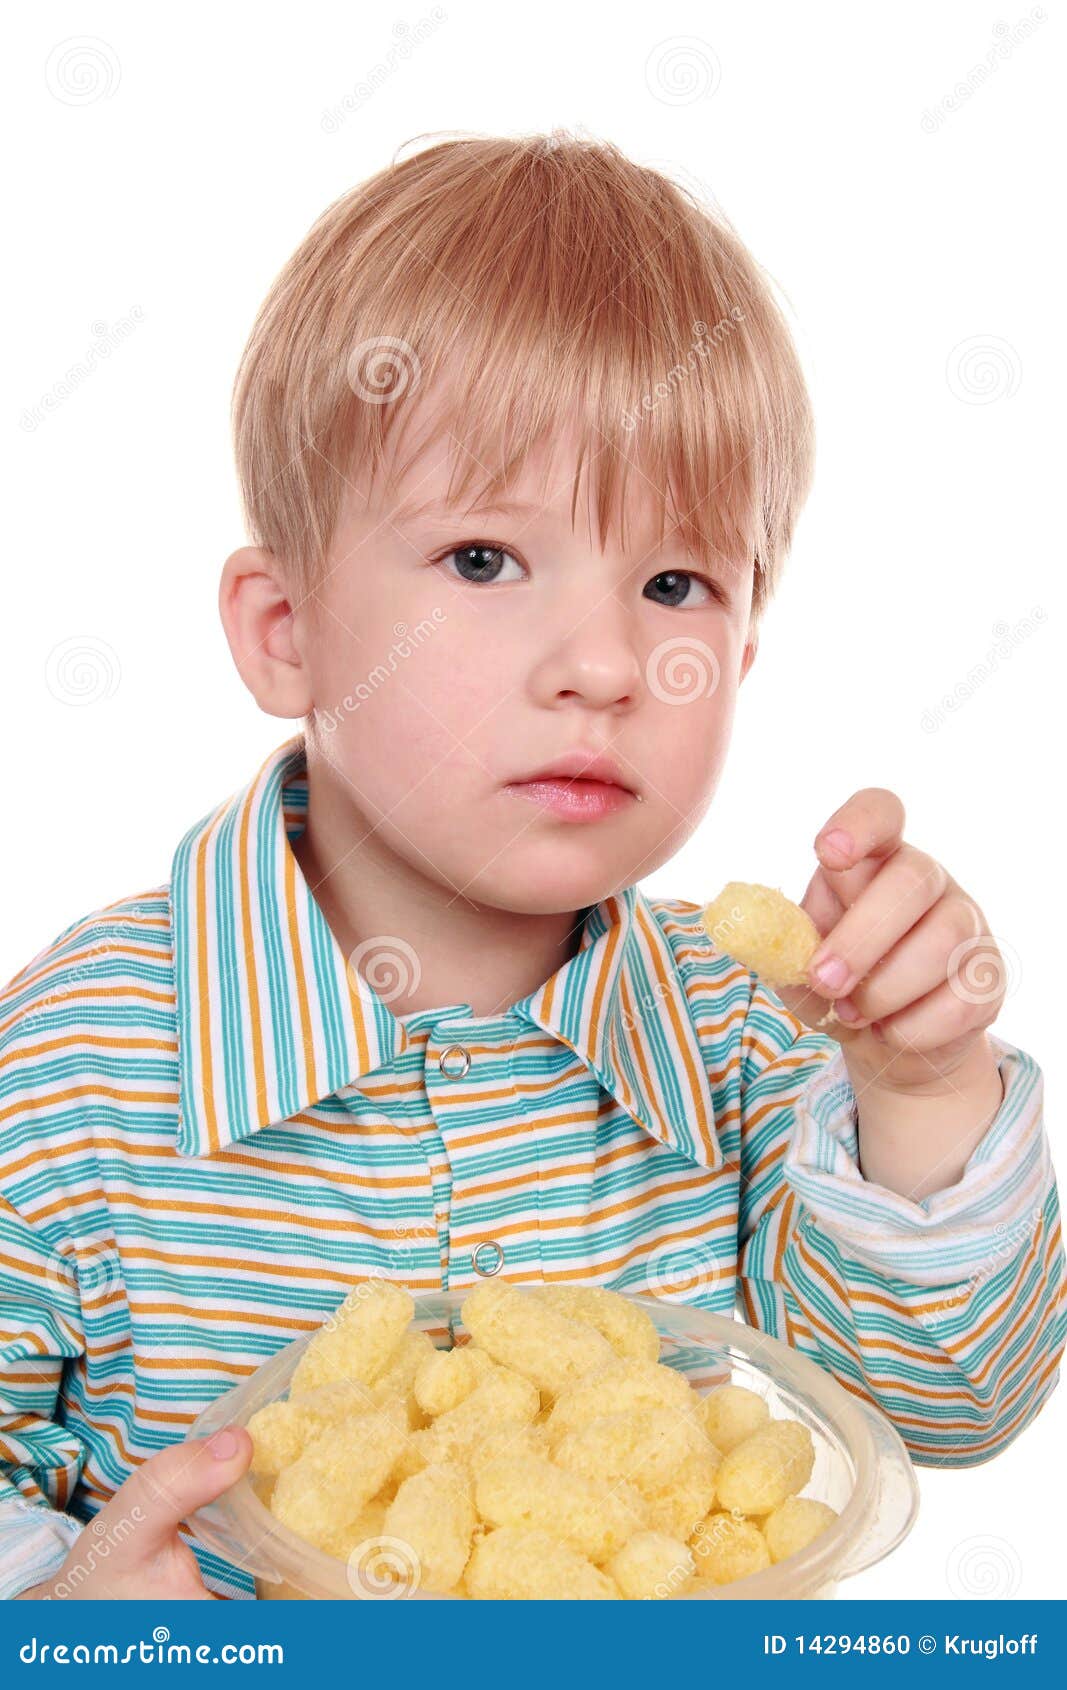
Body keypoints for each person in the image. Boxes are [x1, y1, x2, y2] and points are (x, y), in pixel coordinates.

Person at [3, 131, 1062, 1600]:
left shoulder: (753, 1041)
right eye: (488, 560)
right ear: (285, 630)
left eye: (675, 584)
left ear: (745, 648)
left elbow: (947, 1405)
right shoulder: (70, 1062)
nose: (602, 664)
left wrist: (922, 1089)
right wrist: (58, 1620)